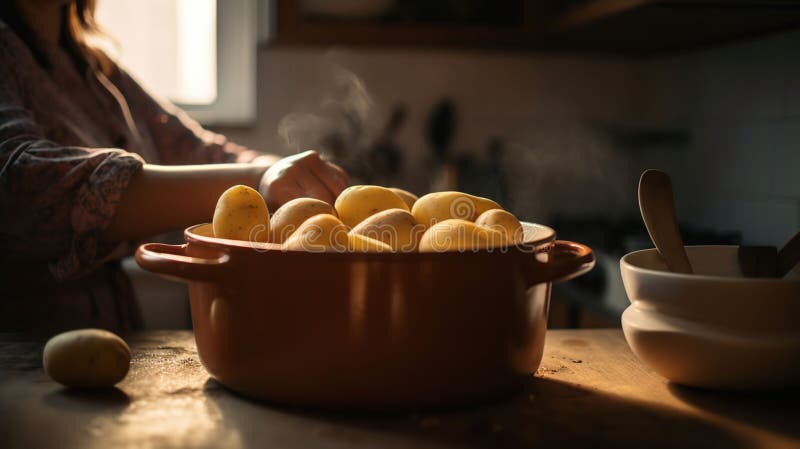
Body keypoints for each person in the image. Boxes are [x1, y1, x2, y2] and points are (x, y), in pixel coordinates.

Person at [0, 0, 349, 333]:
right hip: (23, 343)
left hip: (117, 331)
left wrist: (276, 169)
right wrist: (258, 180)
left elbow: (195, 151)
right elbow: (21, 183)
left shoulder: (97, 69)